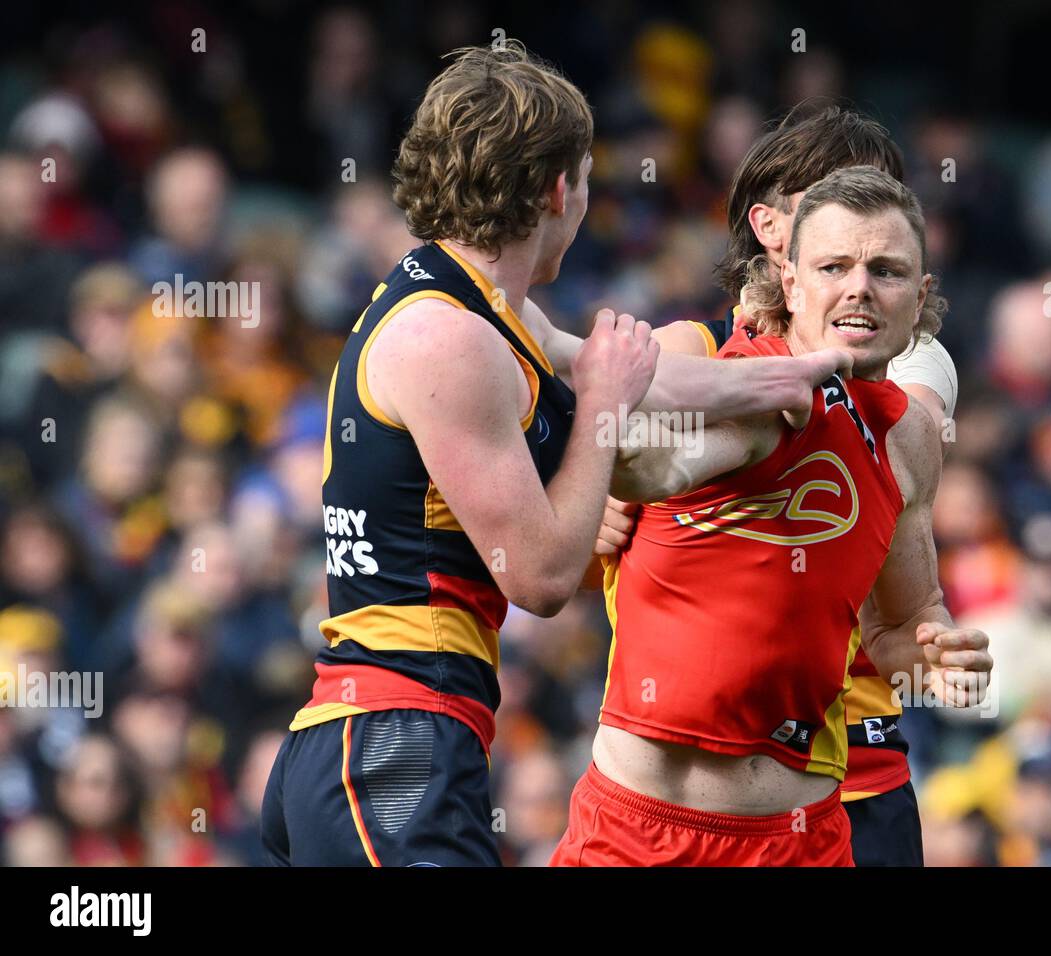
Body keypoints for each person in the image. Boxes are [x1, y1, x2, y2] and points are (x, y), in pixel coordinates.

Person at [261, 42, 849, 867]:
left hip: (389, 740)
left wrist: (786, 380)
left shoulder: (481, 306)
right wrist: (603, 408)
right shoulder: (449, 339)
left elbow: (644, 379)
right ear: (559, 189)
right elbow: (537, 577)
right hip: (392, 741)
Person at [551, 165, 992, 866]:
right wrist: (616, 455)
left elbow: (901, 622)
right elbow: (648, 467)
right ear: (789, 283)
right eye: (833, 266)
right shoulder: (751, 387)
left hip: (803, 839)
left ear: (921, 297)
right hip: (644, 835)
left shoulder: (908, 439)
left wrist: (936, 654)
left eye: (887, 270)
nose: (859, 287)